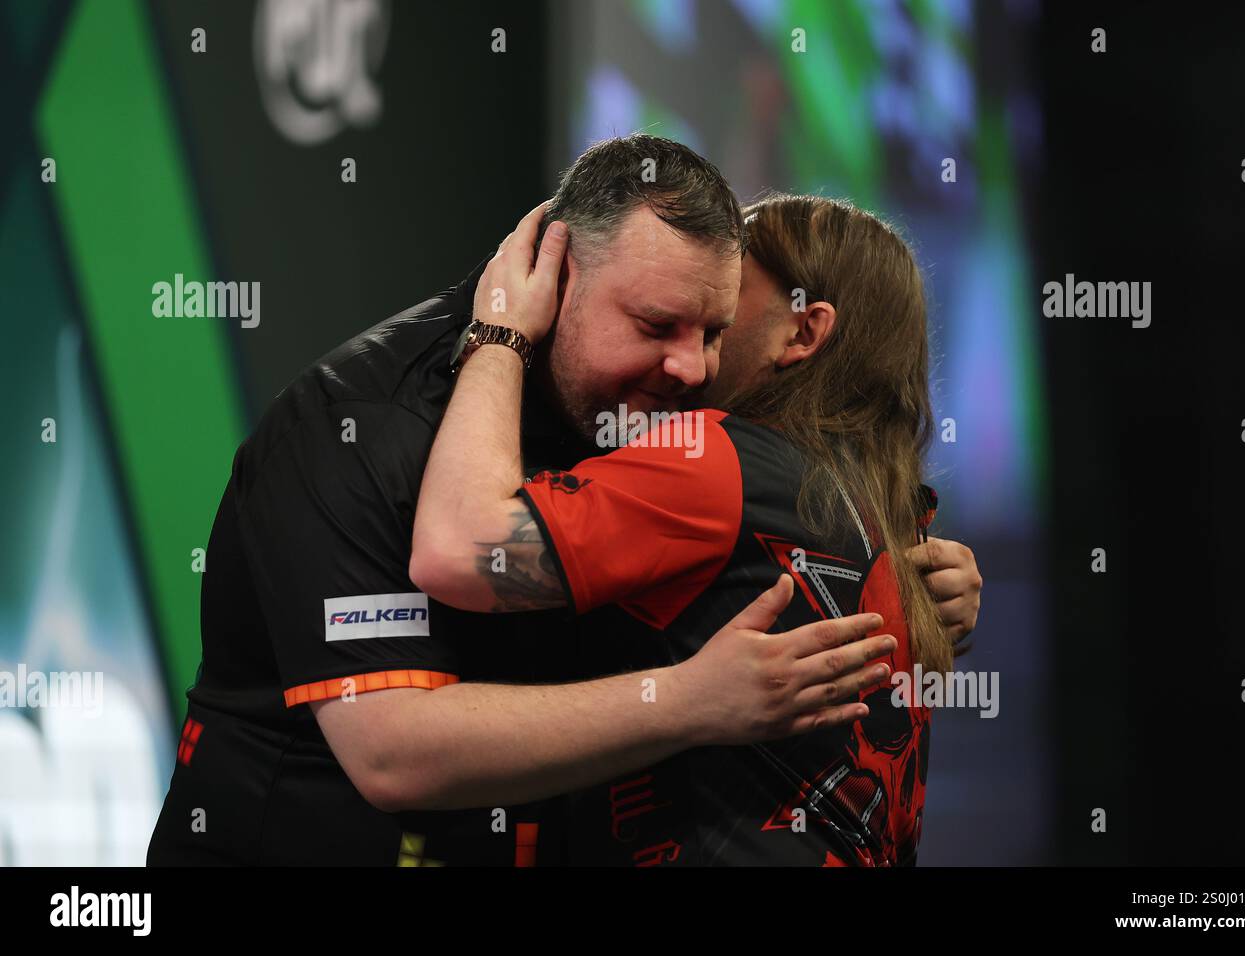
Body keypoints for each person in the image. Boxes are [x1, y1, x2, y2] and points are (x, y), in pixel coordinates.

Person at [147, 135, 979, 867]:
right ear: (556, 274)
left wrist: (915, 584)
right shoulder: (358, 425)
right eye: (658, 325)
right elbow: (392, 752)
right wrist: (688, 700)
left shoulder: (678, 425)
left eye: (715, 332)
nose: (691, 368)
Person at [412, 192, 970, 865]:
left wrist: (500, 336)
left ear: (802, 331)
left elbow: (457, 553)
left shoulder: (718, 460)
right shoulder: (893, 514)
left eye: (731, 291)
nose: (707, 314)